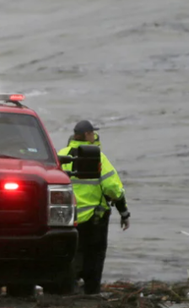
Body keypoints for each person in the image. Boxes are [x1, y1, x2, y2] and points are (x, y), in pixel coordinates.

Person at [58, 120, 130, 295]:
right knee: (95, 259)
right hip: (94, 221)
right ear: (88, 135)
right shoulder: (98, 157)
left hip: (65, 219)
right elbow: (113, 188)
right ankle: (91, 293)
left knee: (68, 257)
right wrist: (124, 212)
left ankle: (66, 291)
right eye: (93, 133)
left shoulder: (60, 155)